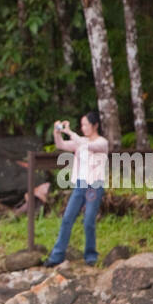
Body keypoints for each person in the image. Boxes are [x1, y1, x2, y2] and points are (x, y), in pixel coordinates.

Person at [46, 110, 109, 267]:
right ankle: (57, 256)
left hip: (94, 185)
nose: (83, 128)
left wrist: (69, 132)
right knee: (67, 218)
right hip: (80, 184)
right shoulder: (80, 142)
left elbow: (87, 145)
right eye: (82, 125)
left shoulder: (101, 143)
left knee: (88, 220)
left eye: (86, 124)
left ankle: (90, 255)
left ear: (95, 125)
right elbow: (61, 145)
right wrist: (58, 133)